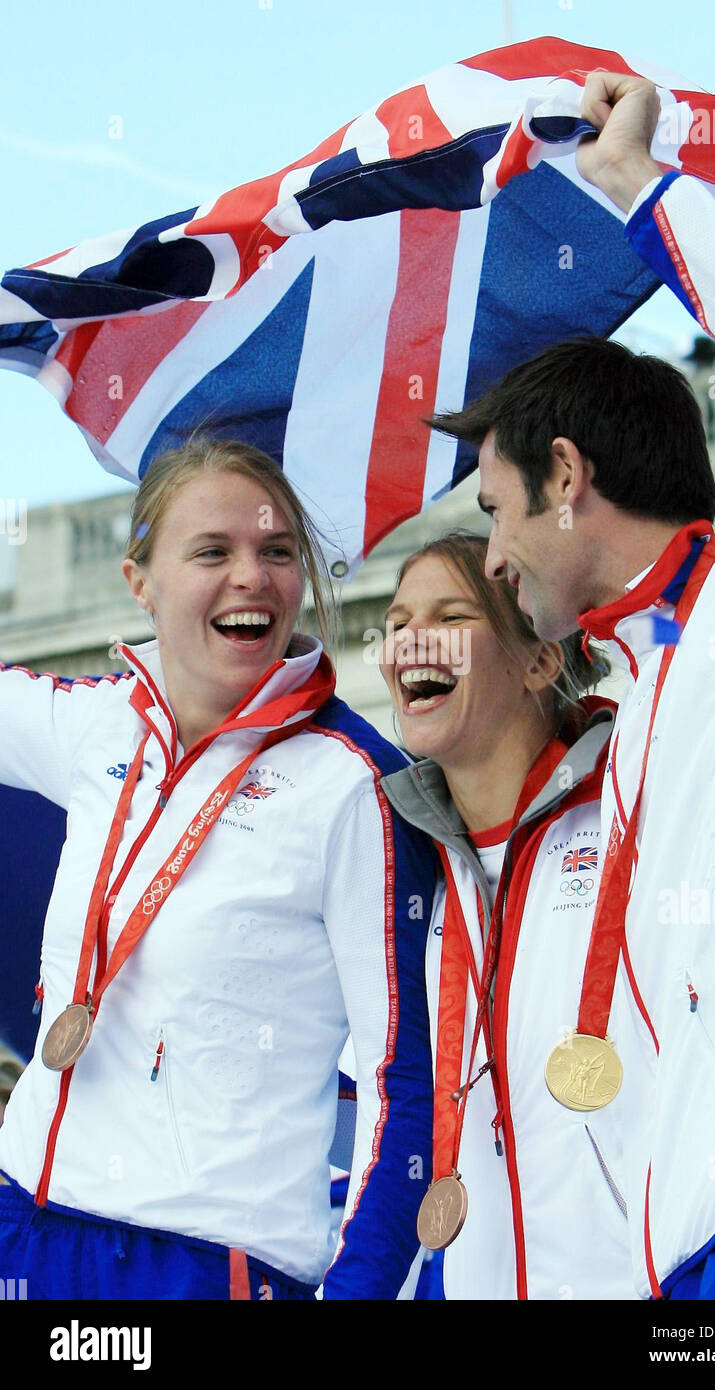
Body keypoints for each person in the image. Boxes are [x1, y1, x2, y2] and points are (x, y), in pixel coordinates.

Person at [427, 74, 715, 1301]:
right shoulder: (637, 690)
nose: (490, 559)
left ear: (565, 476)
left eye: (494, 512)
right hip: (699, 1247)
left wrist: (639, 189)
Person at [0, 436, 434, 1300]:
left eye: (278, 552)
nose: (253, 577)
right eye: (213, 551)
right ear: (140, 583)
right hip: (25, 1229)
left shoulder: (357, 786)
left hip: (205, 1263)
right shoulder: (101, 725)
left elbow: (410, 1082)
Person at [379, 531, 636, 1300]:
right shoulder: (404, 860)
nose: (410, 642)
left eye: (451, 616)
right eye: (395, 624)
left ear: (539, 659)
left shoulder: (635, 799)